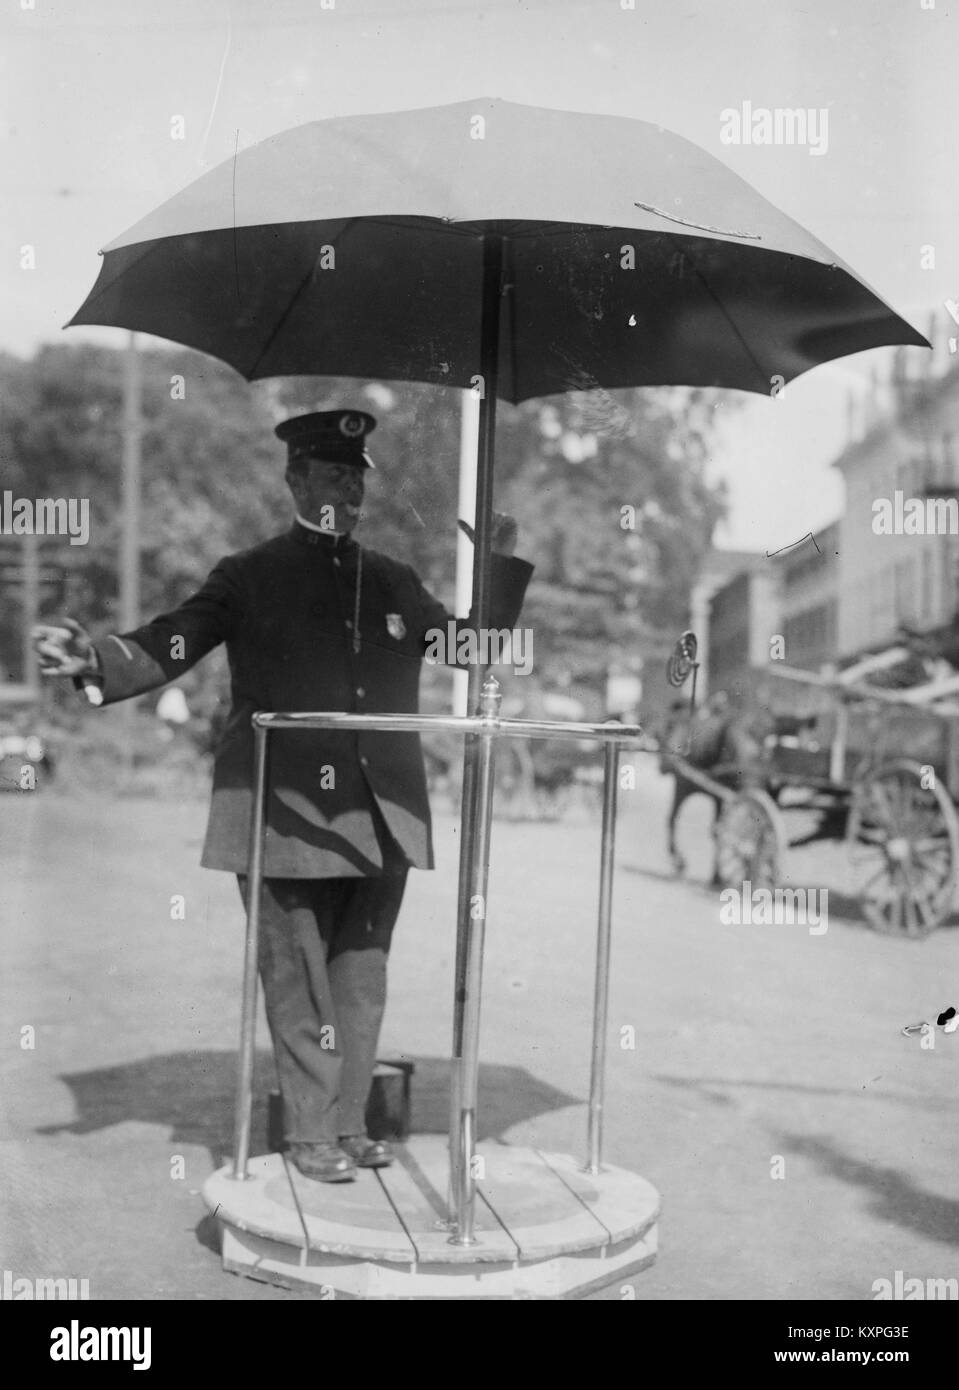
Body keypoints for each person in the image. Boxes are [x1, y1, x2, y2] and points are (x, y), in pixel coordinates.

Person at [34, 408, 533, 1183]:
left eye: (356, 475)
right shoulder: (247, 575)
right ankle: (309, 1135)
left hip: (381, 817)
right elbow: (172, 641)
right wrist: (94, 658)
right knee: (296, 979)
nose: (348, 487)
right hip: (283, 815)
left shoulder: (393, 578)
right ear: (295, 478)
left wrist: (499, 568)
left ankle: (347, 1121)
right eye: (331, 473)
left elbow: (473, 650)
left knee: (360, 979)